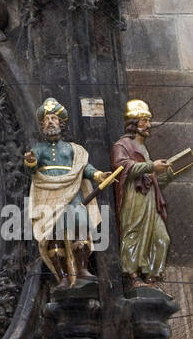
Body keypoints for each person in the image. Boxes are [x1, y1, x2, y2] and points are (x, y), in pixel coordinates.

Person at [25, 97, 108, 288]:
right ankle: (62, 276)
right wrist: (30, 161)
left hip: (72, 193)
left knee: (80, 223)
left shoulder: (72, 149)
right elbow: (31, 168)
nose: (50, 122)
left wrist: (97, 175)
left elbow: (83, 168)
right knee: (53, 234)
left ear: (61, 123)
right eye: (46, 120)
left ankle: (82, 269)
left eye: (54, 118)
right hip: (48, 195)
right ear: (42, 125)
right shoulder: (39, 149)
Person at [111, 100, 179, 286]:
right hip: (134, 197)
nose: (148, 125)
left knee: (162, 237)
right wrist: (151, 166)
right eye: (143, 120)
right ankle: (133, 276)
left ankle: (151, 278)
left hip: (149, 197)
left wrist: (167, 174)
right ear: (133, 122)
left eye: (148, 121)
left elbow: (151, 178)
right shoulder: (122, 145)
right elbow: (122, 166)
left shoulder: (144, 149)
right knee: (133, 232)